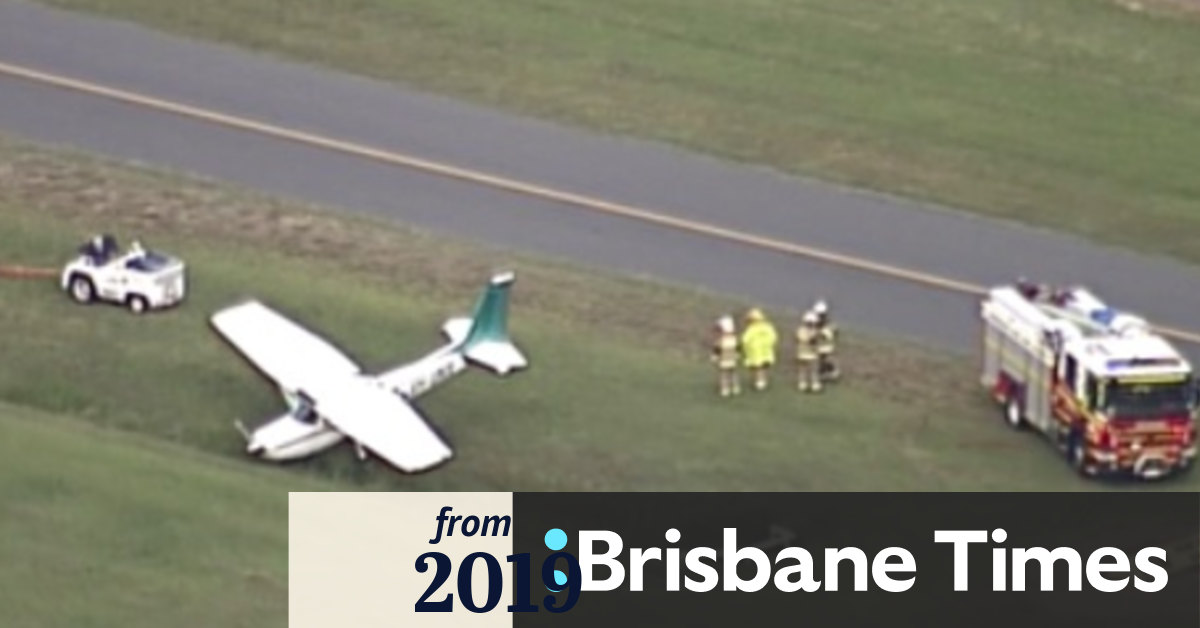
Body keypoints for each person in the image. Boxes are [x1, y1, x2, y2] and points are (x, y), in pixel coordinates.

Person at [741, 308, 778, 391]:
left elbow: (745, 340)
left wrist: (743, 348)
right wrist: (769, 345)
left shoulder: (751, 329)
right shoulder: (768, 327)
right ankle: (763, 380)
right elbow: (773, 337)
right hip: (766, 351)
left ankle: (758, 382)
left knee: (757, 368)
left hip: (755, 352)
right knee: (764, 367)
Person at [710, 315, 742, 398]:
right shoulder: (735, 340)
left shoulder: (720, 341)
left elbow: (717, 350)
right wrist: (737, 356)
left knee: (724, 375)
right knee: (733, 374)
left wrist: (715, 358)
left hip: (724, 361)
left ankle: (725, 389)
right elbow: (738, 349)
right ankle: (735, 388)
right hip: (733, 360)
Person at [811, 300, 839, 382]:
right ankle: (824, 372)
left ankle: (832, 372)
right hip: (822, 344)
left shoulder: (826, 322)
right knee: (821, 359)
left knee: (825, 359)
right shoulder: (817, 321)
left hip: (826, 345)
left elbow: (834, 331)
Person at [796, 311, 822, 393]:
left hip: (801, 354)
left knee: (802, 370)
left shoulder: (800, 330)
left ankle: (802, 384)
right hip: (811, 355)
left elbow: (798, 339)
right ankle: (814, 385)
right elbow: (812, 341)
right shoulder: (814, 331)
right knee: (813, 370)